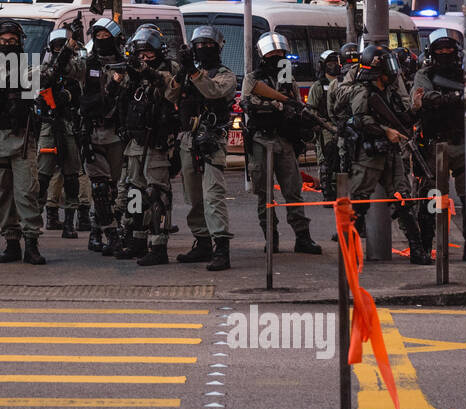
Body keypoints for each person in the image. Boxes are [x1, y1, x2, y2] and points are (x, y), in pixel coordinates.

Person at [344, 43, 430, 263]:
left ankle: (417, 250)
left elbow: (402, 120)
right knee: (359, 202)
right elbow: (359, 120)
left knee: (403, 199)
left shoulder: (389, 92)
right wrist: (385, 131)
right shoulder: (362, 91)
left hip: (391, 153)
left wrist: (415, 108)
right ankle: (349, 251)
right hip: (370, 153)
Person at [242, 32, 322, 255]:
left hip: (284, 141)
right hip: (261, 141)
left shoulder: (289, 79)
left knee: (293, 192)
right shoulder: (253, 78)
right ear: (264, 55)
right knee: (264, 195)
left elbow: (296, 105)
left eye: (280, 53)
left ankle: (303, 238)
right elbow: (249, 103)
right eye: (273, 53)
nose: (277, 56)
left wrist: (302, 120)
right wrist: (280, 106)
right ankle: (272, 239)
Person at [169, 25, 236, 271]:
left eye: (208, 45)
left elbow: (214, 91)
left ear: (218, 48)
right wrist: (181, 74)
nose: (202, 48)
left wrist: (194, 72)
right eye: (199, 45)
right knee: (193, 196)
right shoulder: (188, 74)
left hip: (212, 140)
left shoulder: (225, 74)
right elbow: (170, 96)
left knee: (213, 196)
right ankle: (202, 242)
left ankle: (222, 248)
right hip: (188, 139)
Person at [0, 20, 45, 265]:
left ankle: (32, 243)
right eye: (4, 41)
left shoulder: (29, 69)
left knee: (26, 192)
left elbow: (37, 93)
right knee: (3, 194)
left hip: (22, 140)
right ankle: (11, 242)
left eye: (13, 41)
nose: (8, 45)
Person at [117, 25, 180, 266]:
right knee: (135, 191)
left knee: (156, 194)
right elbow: (120, 97)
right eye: (140, 54)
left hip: (158, 141)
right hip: (135, 139)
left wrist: (149, 73)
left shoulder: (169, 69)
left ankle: (158, 246)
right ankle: (137, 240)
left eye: (149, 54)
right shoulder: (133, 72)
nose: (144, 59)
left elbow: (172, 89)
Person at [411, 29, 466, 258]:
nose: (445, 53)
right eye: (440, 50)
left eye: (449, 49)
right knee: (431, 199)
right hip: (436, 146)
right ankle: (425, 247)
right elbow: (424, 97)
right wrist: (454, 99)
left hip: (463, 145)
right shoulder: (424, 74)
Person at [77, 19, 128, 256]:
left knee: (112, 189)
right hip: (93, 132)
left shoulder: (126, 66)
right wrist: (69, 46)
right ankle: (111, 234)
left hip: (118, 134)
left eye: (107, 35)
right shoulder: (86, 64)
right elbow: (60, 72)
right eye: (98, 35)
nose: (102, 39)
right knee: (99, 188)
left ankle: (96, 233)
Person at [36, 27, 84, 240]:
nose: (60, 50)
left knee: (71, 175)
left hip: (69, 126)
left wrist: (69, 95)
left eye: (64, 47)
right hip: (49, 127)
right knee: (42, 176)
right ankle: (34, 221)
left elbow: (83, 86)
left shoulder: (78, 67)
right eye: (57, 47)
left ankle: (70, 222)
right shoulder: (45, 67)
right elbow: (44, 82)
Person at [307, 50, 341, 202]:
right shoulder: (318, 86)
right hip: (325, 129)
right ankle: (328, 192)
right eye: (330, 64)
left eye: (336, 63)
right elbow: (311, 109)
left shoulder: (343, 83)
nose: (334, 66)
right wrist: (321, 126)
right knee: (326, 161)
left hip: (342, 127)